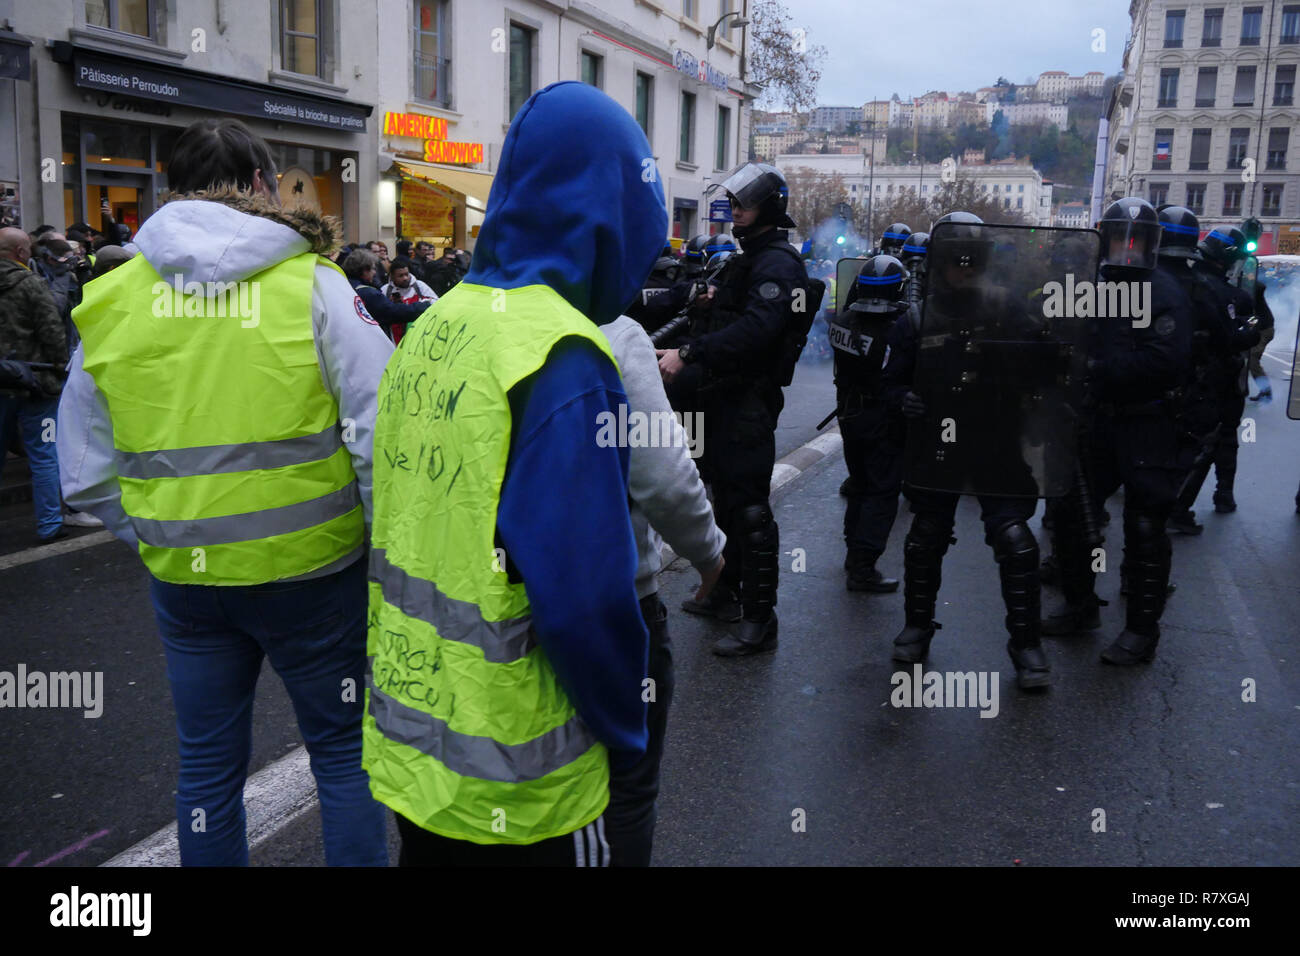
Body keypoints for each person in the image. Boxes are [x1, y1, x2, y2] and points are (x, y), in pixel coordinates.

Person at [59, 117, 392, 866]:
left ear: (171, 190)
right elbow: (379, 428)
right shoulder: (316, 285)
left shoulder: (110, 300)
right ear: (262, 187)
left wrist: (158, 527)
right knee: (341, 752)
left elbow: (82, 472)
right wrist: (384, 544)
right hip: (315, 573)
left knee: (207, 768)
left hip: (186, 581)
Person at [365, 81, 666, 866]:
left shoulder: (439, 325)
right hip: (529, 786)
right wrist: (626, 726)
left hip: (422, 749)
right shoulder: (563, 358)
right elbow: (587, 598)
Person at [885, 212, 1058, 689]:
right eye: (956, 262)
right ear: (940, 265)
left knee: (1016, 542)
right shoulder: (917, 319)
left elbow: (1043, 369)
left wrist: (1053, 343)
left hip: (995, 440)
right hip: (938, 444)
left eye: (972, 261)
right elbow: (888, 382)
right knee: (925, 538)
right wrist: (903, 399)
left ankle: (1026, 646)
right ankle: (917, 628)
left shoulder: (1008, 311)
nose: (964, 270)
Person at [658, 162, 812, 657]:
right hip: (720, 399)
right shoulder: (747, 259)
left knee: (749, 511)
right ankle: (726, 593)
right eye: (735, 202)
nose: (736, 211)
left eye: (745, 203)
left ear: (769, 207)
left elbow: (758, 331)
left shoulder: (778, 264)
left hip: (747, 401)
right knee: (724, 502)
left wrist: (688, 354)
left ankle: (759, 619)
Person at [598, 313, 725, 866]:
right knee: (624, 784)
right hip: (611, 601)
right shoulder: (611, 330)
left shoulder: (444, 319)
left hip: (466, 600)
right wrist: (710, 556)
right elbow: (665, 480)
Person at [1043, 198, 1193, 666]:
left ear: (1151, 244)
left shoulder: (1164, 291)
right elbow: (1062, 331)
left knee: (1145, 525)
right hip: (1097, 420)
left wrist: (1099, 368)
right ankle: (1080, 605)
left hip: (1148, 421)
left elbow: (1166, 360)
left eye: (1136, 239)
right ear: (1103, 238)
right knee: (1070, 513)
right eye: (1118, 237)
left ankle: (1141, 632)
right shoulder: (1092, 286)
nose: (1126, 247)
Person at [831, 255, 909, 592]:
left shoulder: (845, 319)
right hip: (881, 417)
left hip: (850, 414)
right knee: (882, 491)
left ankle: (853, 555)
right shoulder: (896, 329)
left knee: (861, 485)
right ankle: (863, 568)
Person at [0, 226, 69, 541]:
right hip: (36, 384)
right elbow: (52, 330)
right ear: (21, 253)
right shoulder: (31, 285)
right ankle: (50, 524)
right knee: (44, 454)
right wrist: (60, 366)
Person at [343, 247, 428, 343]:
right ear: (365, 270)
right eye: (373, 269)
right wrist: (424, 306)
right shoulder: (369, 293)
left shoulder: (344, 285)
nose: (375, 273)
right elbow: (393, 313)